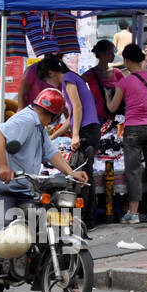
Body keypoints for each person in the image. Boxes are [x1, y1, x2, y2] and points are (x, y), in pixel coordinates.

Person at [0, 89, 87, 274]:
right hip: (0, 189)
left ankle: (61, 279)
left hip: (23, 190)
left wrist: (71, 172)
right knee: (2, 224)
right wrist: (3, 166)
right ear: (54, 116)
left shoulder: (38, 127)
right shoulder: (27, 120)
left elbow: (51, 153)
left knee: (45, 223)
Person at [107, 43, 147, 224]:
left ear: (126, 61)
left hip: (133, 129)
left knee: (133, 170)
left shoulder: (124, 82)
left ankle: (134, 212)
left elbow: (113, 108)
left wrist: (108, 96)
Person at [53, 58, 101, 235]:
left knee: (81, 178)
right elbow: (72, 116)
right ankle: (88, 220)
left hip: (86, 132)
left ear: (51, 73)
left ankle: (85, 221)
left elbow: (78, 108)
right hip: (89, 130)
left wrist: (75, 135)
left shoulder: (67, 79)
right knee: (86, 175)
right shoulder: (74, 77)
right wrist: (52, 136)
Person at [83, 39, 122, 128]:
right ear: (101, 54)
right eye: (110, 52)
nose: (113, 55)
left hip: (116, 117)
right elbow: (76, 85)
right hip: (98, 118)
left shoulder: (117, 73)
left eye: (113, 52)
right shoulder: (90, 74)